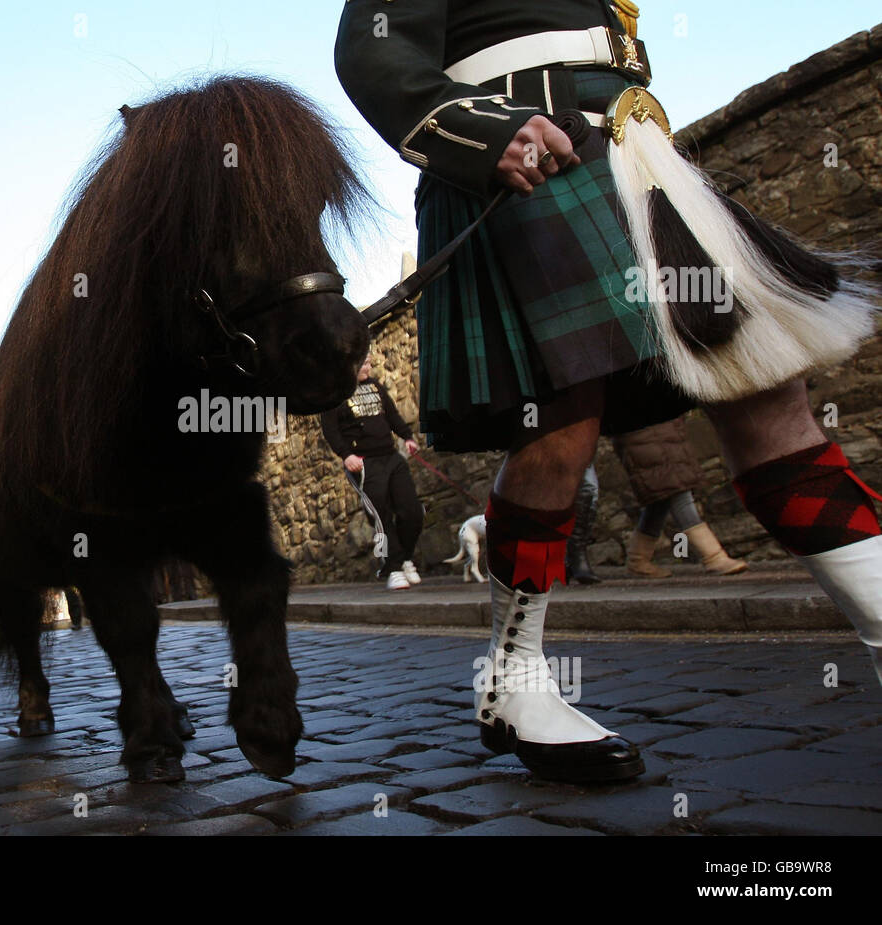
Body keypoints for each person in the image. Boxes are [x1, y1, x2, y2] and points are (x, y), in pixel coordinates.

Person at [335, 0, 881, 782]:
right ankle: (516, 680)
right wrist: (482, 133)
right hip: (530, 148)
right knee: (561, 424)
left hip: (639, 153)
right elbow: (372, 49)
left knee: (763, 386)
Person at [320, 354, 425, 590]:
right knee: (379, 517)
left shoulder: (375, 386)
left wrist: (407, 437)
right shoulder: (334, 395)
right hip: (365, 464)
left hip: (391, 457)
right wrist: (346, 455)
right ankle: (393, 568)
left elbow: (392, 415)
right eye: (363, 363)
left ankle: (404, 559)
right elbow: (331, 430)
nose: (368, 367)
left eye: (368, 363)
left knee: (412, 511)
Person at [613, 416, 746, 578]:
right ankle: (714, 557)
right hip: (645, 435)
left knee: (660, 501)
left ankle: (638, 560)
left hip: (662, 434)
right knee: (678, 495)